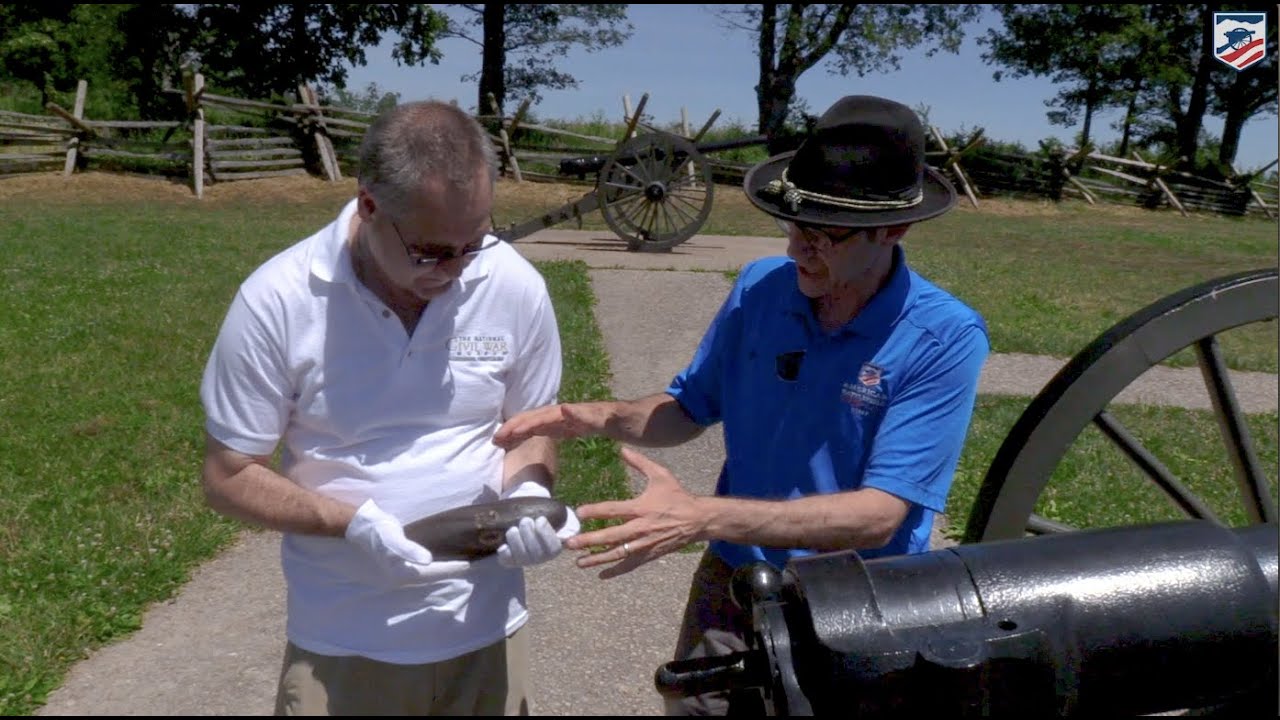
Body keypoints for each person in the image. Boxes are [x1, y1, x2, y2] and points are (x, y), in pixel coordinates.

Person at [492, 94, 990, 715]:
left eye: (823, 236)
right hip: (732, 583)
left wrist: (701, 515)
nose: (796, 251)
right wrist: (587, 418)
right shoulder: (761, 289)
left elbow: (878, 515)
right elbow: (688, 409)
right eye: (792, 228)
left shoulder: (943, 337)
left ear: (893, 229)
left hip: (858, 601)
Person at [198, 99, 579, 716]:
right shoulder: (279, 300)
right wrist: (346, 522)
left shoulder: (512, 285)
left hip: (485, 633)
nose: (455, 272)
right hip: (346, 643)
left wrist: (531, 499)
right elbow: (227, 477)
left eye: (473, 243)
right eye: (431, 251)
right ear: (369, 206)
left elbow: (530, 430)